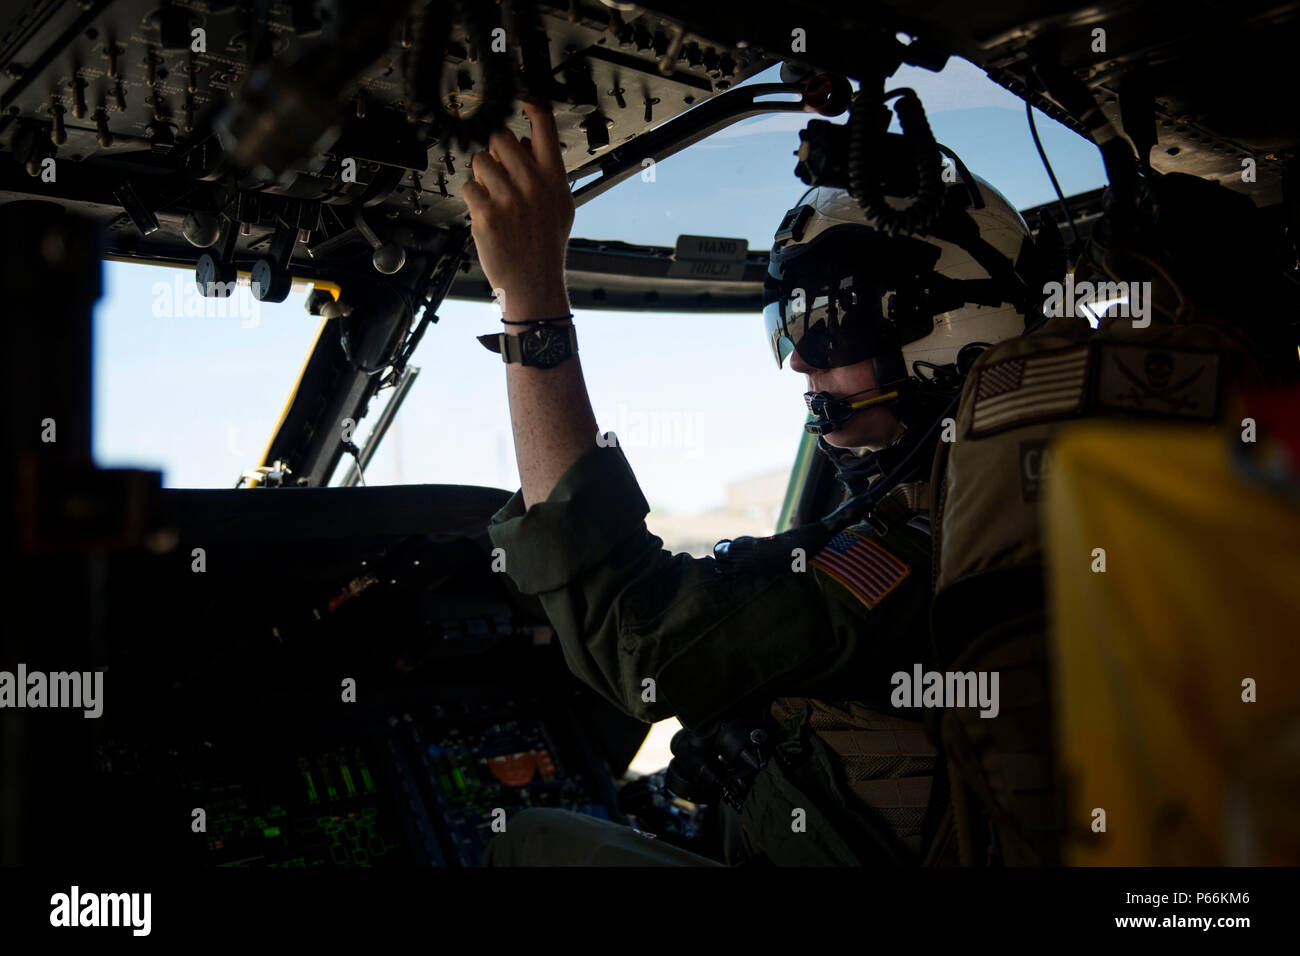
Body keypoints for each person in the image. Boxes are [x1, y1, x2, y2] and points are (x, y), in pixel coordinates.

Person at [464, 101, 1035, 866]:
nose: (799, 361)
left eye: (826, 323)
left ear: (949, 328)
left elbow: (636, 644)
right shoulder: (1009, 502)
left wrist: (530, 299)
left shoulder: (942, 551)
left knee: (526, 844)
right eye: (787, 325)